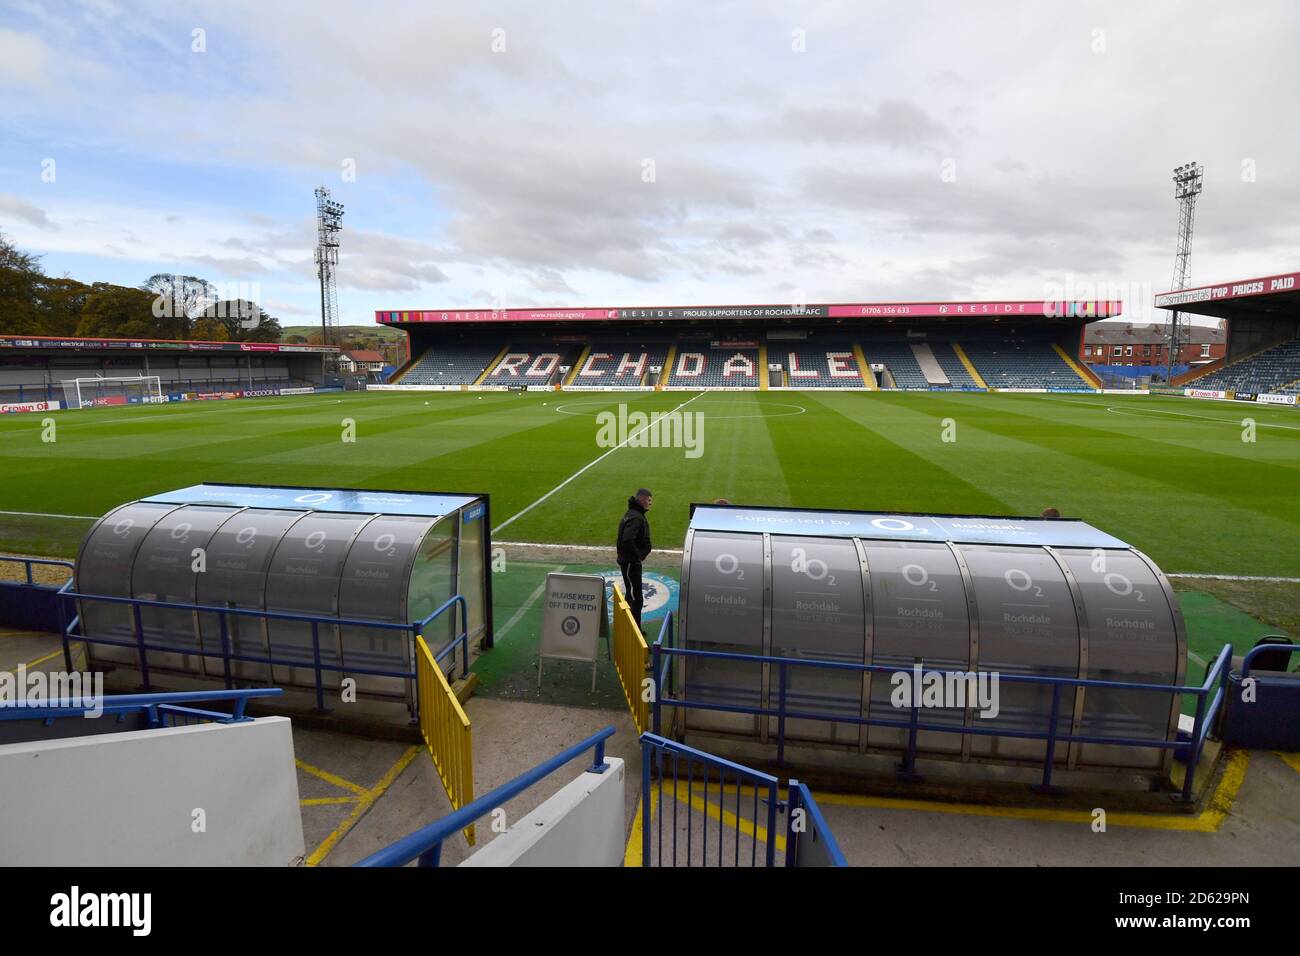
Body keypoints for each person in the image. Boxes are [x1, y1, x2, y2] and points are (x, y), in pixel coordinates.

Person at [616, 488, 653, 629]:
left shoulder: (632, 514)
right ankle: (633, 631)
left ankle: (632, 628)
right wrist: (637, 557)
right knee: (635, 597)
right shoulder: (636, 517)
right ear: (642, 499)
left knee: (633, 595)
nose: (650, 503)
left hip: (629, 561)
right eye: (649, 500)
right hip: (631, 563)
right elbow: (627, 539)